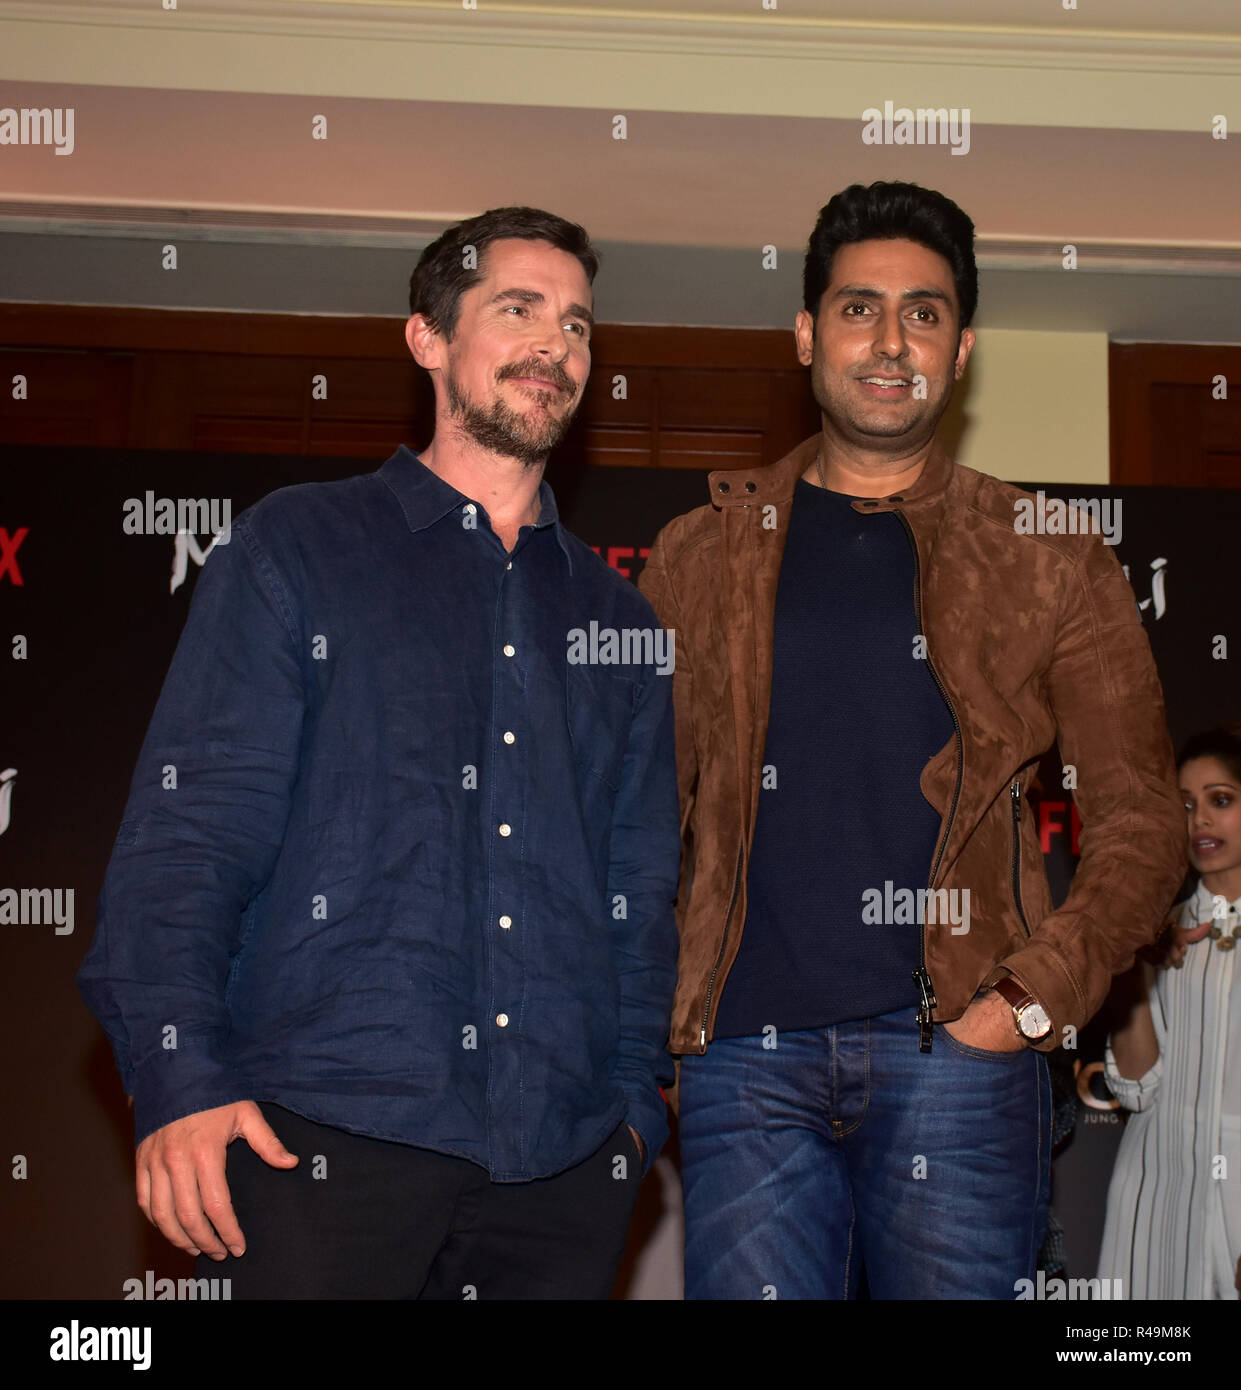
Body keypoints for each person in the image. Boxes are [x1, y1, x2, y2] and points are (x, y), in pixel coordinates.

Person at [77, 205, 680, 1300]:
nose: (557, 344)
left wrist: (633, 1115)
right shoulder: (295, 547)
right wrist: (175, 1077)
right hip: (320, 1133)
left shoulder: (621, 624)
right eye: (518, 308)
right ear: (429, 337)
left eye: (580, 324)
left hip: (559, 1163)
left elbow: (636, 895)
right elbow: (190, 835)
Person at [638, 180, 1187, 1300]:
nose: (889, 342)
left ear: (962, 346)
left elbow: (1139, 820)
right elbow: (639, 818)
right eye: (856, 308)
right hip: (746, 1058)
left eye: (923, 313)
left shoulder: (1047, 554)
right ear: (804, 334)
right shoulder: (696, 555)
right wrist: (654, 1031)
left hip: (960, 1058)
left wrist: (1027, 1000)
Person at [1098, 725, 1241, 1299]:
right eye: (1185, 805)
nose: (1199, 820)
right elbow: (1135, 1090)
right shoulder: (1155, 935)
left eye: (1220, 801)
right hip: (1154, 1197)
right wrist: (1136, 958)